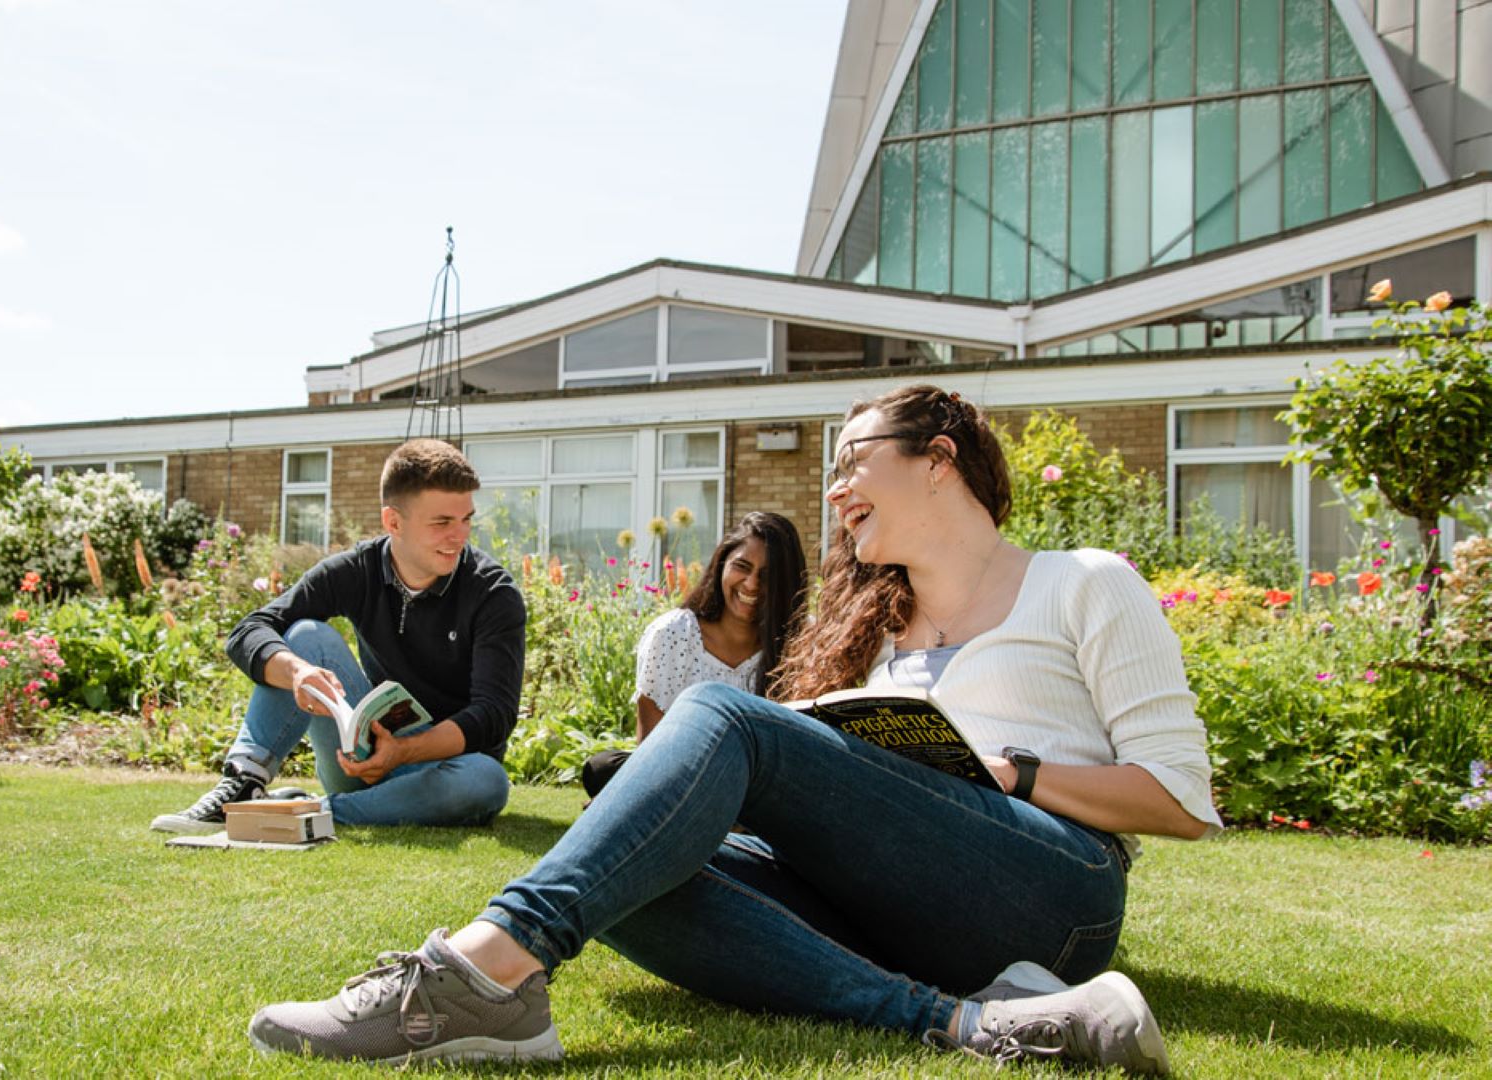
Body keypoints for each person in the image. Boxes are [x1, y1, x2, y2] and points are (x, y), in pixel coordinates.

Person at [243, 385, 1222, 1074]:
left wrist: (1014, 774)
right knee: (640, 869)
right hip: (909, 911)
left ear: (938, 461)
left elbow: (1182, 802)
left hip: (1052, 890)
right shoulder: (879, 633)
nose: (835, 491)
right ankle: (967, 1022)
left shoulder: (1081, 583)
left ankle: (473, 978)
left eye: (853, 462)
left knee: (720, 716)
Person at [150, 438, 525, 832]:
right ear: (393, 522)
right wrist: (297, 672)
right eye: (442, 522)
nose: (459, 536)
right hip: (359, 758)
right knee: (306, 636)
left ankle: (314, 810)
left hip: (445, 771)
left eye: (466, 519)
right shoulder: (356, 571)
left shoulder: (493, 593)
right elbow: (248, 630)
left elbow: (494, 714)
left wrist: (403, 751)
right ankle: (243, 784)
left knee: (487, 781)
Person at [579, 511, 808, 798]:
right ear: (722, 564)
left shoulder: (804, 642)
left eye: (767, 576)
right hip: (685, 777)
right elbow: (651, 750)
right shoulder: (672, 633)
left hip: (762, 788)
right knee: (603, 768)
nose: (751, 584)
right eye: (742, 567)